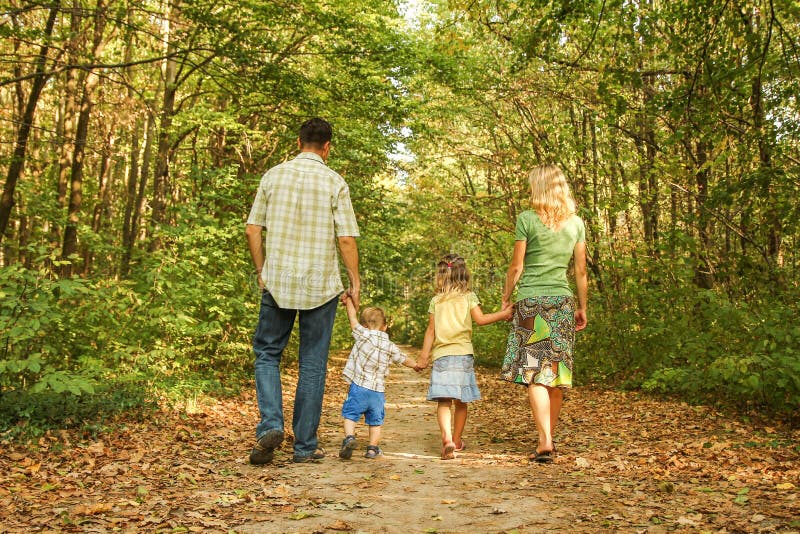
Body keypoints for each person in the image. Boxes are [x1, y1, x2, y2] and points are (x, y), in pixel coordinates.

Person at [245, 117, 360, 465]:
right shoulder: (334, 181)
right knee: (312, 363)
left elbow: (253, 229)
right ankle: (305, 447)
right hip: (321, 286)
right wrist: (354, 282)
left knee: (267, 354)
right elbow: (345, 238)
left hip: (277, 282)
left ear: (298, 143)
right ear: (327, 147)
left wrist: (262, 271)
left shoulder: (273, 175)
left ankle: (270, 425)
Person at [500, 164, 588, 463]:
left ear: (537, 187)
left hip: (531, 303)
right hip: (562, 302)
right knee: (556, 374)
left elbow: (516, 266)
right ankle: (549, 437)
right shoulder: (576, 224)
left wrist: (505, 296)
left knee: (535, 374)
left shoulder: (526, 219)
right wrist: (582, 306)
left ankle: (545, 440)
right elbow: (580, 270)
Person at [415, 253, 513, 460]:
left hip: (442, 355)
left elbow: (430, 331)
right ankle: (457, 441)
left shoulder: (436, 300)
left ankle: (447, 440)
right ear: (464, 275)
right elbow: (481, 320)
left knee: (444, 401)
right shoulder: (469, 297)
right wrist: (503, 314)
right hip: (463, 354)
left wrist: (424, 357)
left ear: (441, 275)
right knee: (461, 401)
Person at [338, 295, 417, 460]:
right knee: (375, 421)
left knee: (350, 415)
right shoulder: (389, 345)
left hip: (359, 386)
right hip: (377, 392)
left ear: (364, 325)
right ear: (385, 327)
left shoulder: (362, 334)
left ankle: (350, 438)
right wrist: (417, 365)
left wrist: (349, 302)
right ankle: (372, 449)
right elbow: (403, 359)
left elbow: (352, 317)